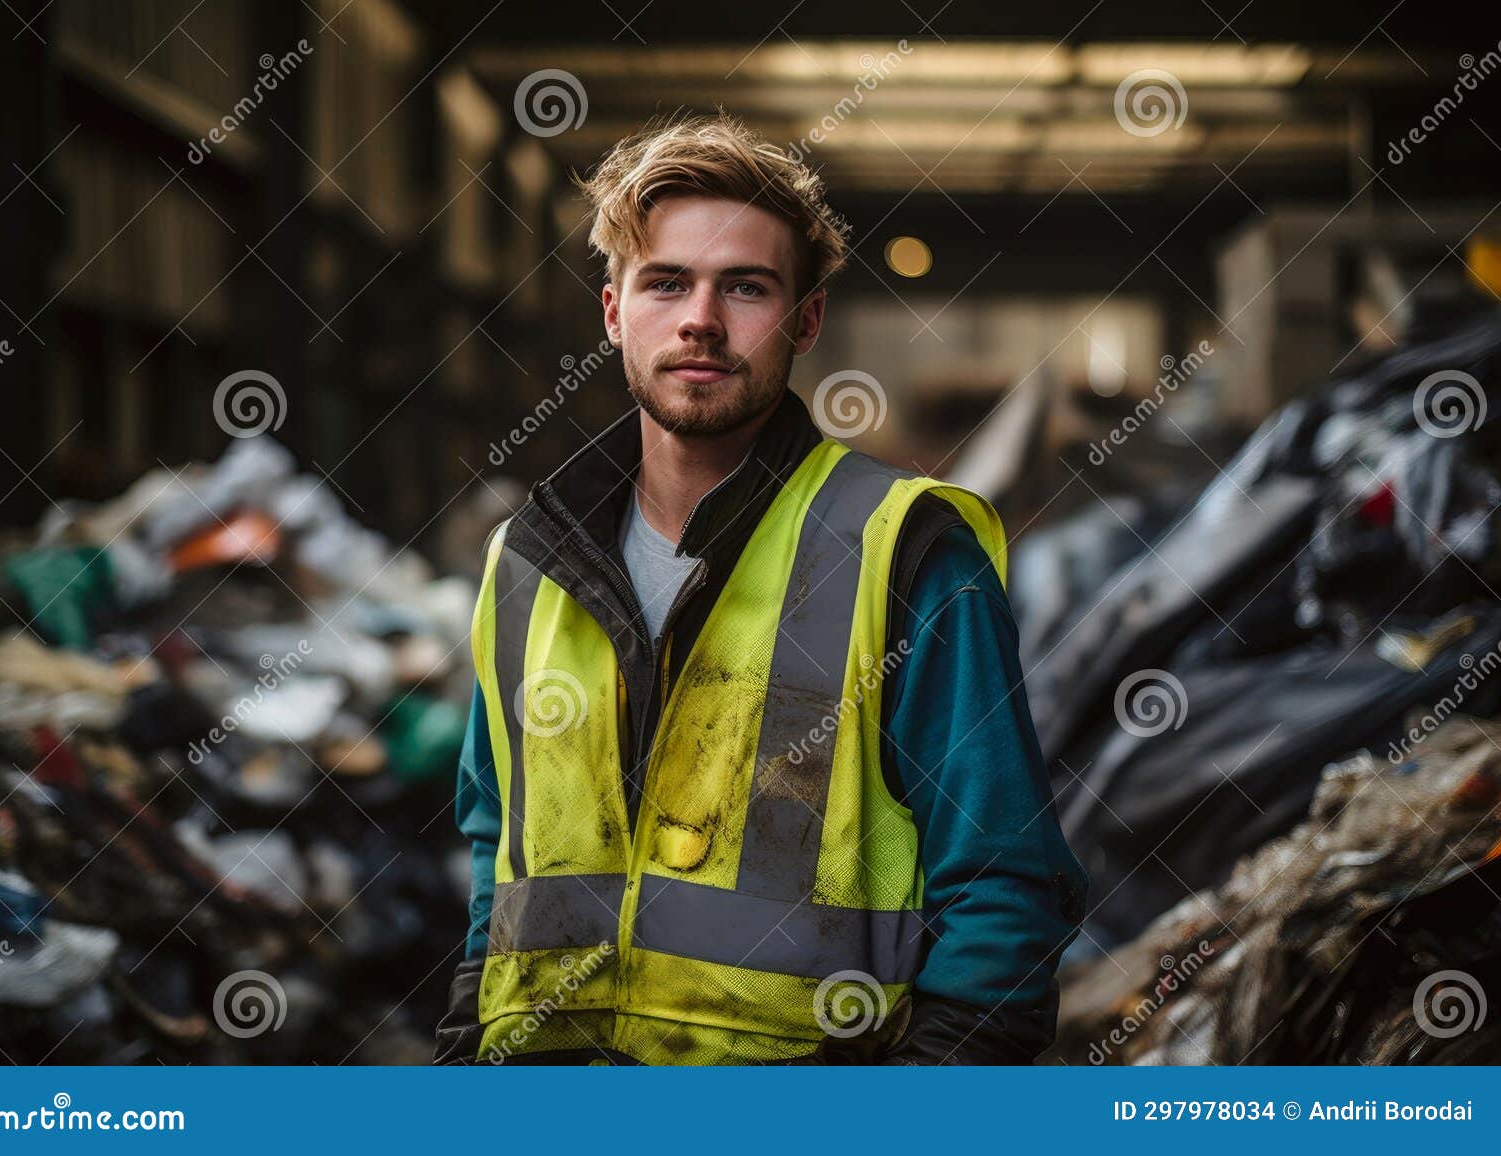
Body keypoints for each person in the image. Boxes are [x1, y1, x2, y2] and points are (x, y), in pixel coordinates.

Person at [435, 111, 1086, 1065]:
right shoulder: (526, 562)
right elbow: (499, 857)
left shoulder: (907, 555)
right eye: (666, 282)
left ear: (806, 319)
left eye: (745, 286)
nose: (701, 318)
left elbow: (1005, 891)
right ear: (614, 312)